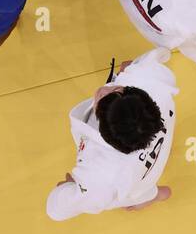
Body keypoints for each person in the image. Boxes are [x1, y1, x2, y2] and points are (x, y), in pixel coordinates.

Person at [46, 49, 178, 218]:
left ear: (105, 135)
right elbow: (159, 55)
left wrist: (68, 190)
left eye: (101, 105)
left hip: (129, 184)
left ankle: (153, 195)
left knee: (127, 193)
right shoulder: (150, 80)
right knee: (141, 185)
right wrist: (132, 70)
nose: (103, 91)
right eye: (118, 91)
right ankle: (155, 194)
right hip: (156, 153)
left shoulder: (102, 175)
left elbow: (55, 210)